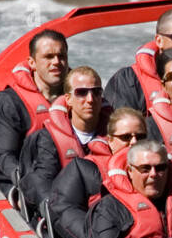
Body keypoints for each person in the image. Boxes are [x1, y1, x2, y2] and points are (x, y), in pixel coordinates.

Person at [46, 109, 146, 238]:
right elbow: (64, 211)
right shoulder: (82, 169)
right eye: (126, 137)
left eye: (140, 137)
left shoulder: (159, 172)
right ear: (110, 140)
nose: (134, 142)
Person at [0, 29, 67, 193]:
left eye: (61, 56)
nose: (56, 62)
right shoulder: (7, 103)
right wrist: (27, 189)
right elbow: (1, 158)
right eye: (48, 57)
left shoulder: (83, 96)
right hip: (30, 187)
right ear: (32, 63)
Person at [18, 65, 110, 220]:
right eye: (81, 93)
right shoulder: (49, 139)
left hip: (107, 211)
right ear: (68, 99)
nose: (90, 99)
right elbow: (43, 180)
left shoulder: (119, 134)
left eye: (96, 92)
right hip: (68, 215)